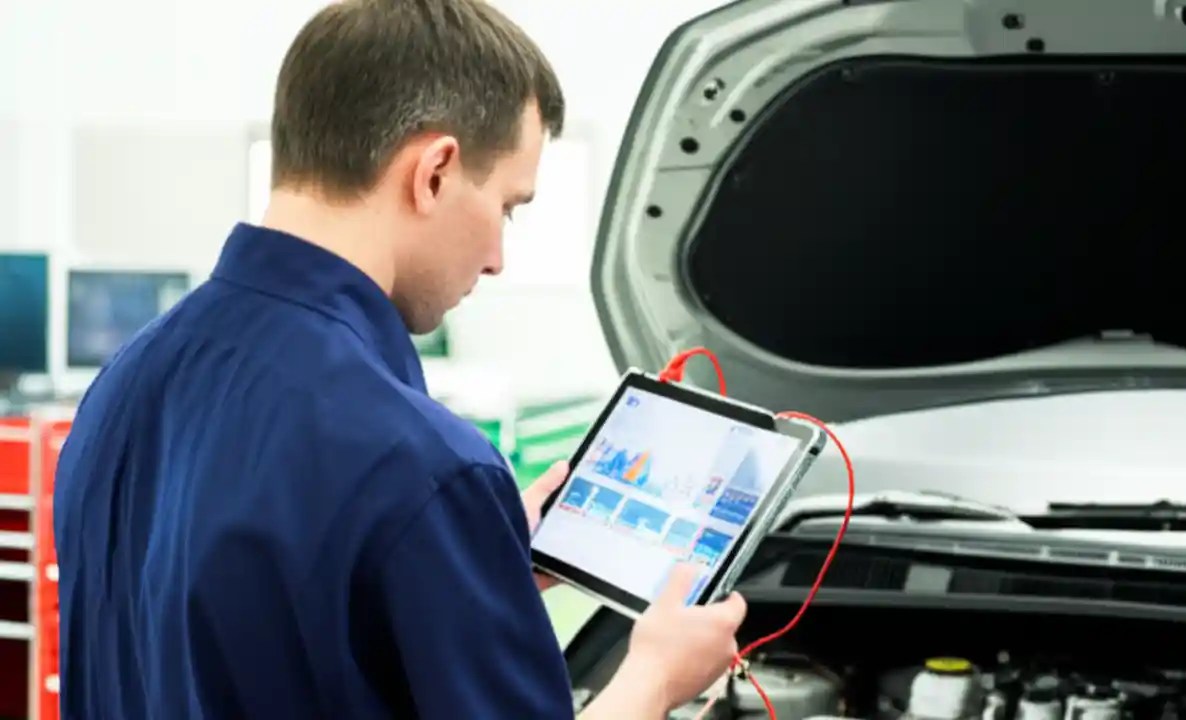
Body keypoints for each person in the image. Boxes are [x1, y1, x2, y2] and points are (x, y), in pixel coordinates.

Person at [50, 0, 748, 717]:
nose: (498, 258)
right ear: (435, 172)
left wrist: (469, 560)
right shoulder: (421, 465)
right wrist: (656, 677)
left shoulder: (122, 388)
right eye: (508, 207)